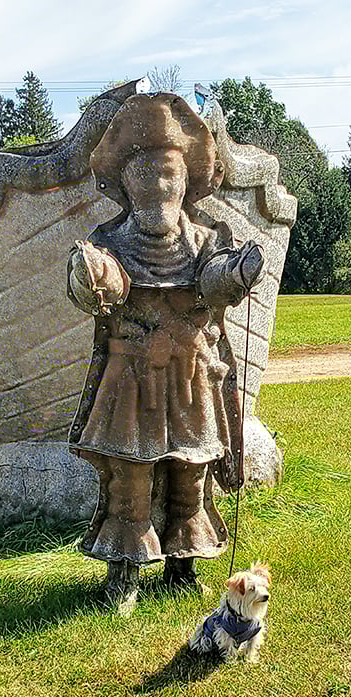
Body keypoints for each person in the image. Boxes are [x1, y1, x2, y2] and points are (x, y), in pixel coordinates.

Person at [66, 93, 264, 613]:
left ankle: (183, 564)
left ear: (186, 181)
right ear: (127, 183)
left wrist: (239, 272)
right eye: (144, 175)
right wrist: (90, 275)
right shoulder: (109, 240)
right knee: (130, 473)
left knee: (189, 470)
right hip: (130, 377)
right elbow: (100, 282)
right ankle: (125, 573)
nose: (157, 185)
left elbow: (213, 280)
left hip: (190, 372)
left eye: (168, 175)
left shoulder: (202, 239)